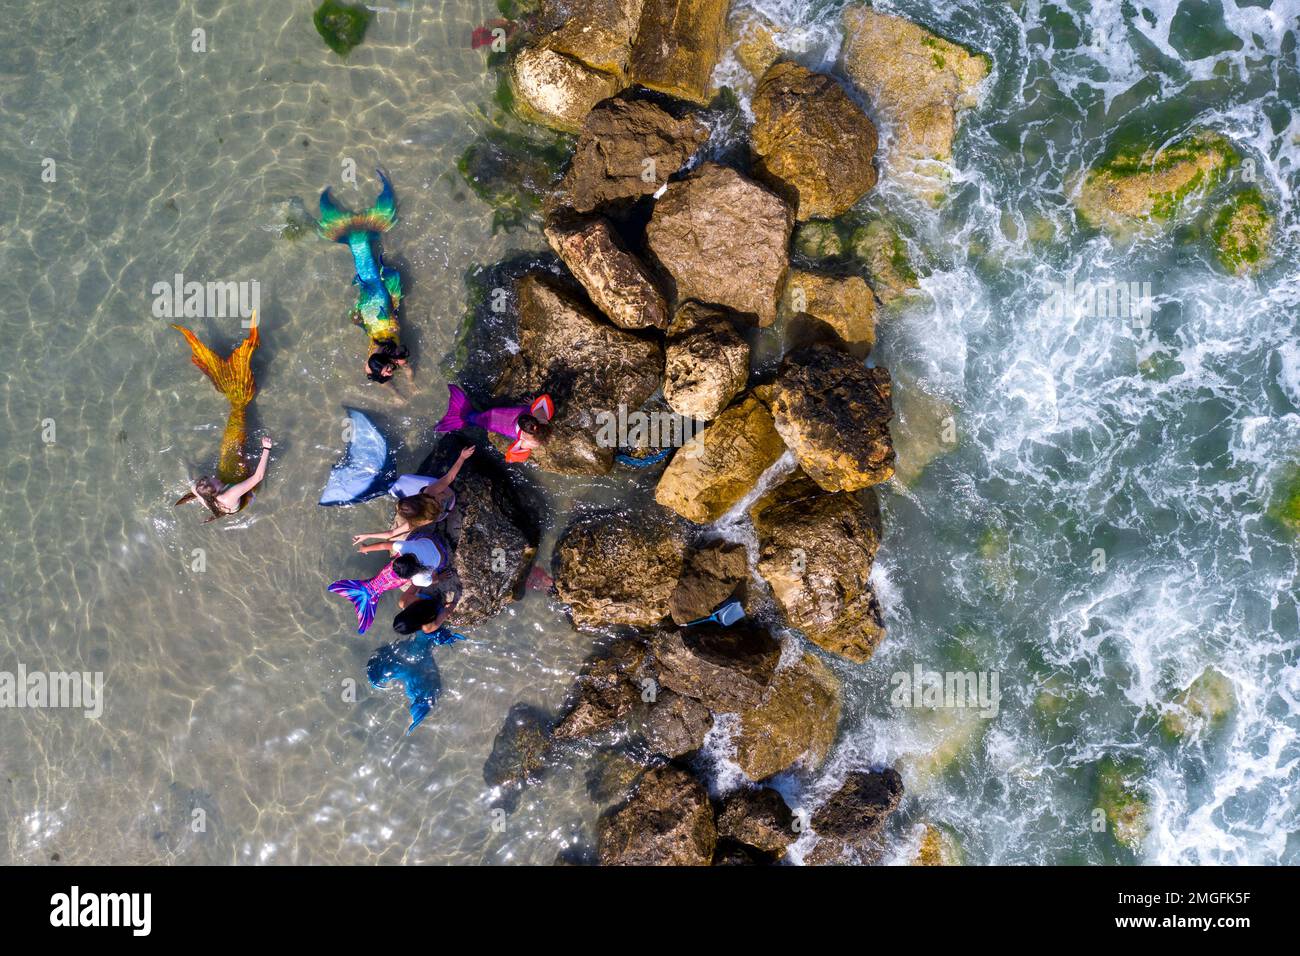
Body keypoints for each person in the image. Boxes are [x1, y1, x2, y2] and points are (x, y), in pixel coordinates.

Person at [171, 312, 274, 521]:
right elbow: (258, 477)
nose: (215, 478)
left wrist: (186, 462)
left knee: (233, 432)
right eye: (215, 482)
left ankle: (236, 392)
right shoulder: (229, 495)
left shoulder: (202, 492)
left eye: (209, 479)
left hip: (224, 483)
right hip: (245, 490)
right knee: (244, 460)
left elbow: (198, 485)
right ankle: (239, 385)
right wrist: (266, 449)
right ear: (217, 492)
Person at [435, 384, 554, 463]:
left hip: (509, 413)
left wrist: (532, 404)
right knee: (483, 421)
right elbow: (514, 454)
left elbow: (540, 403)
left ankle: (467, 415)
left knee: (489, 415)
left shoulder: (540, 415)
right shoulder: (532, 441)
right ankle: (464, 418)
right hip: (505, 427)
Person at [327, 553, 432, 634]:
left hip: (372, 590)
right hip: (371, 592)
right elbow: (411, 580)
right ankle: (363, 621)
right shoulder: (400, 572)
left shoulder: (394, 564)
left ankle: (363, 622)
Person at [393, 571, 462, 635]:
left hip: (437, 607)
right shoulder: (404, 601)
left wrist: (454, 602)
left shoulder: (428, 628)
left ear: (413, 629)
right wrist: (438, 577)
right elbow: (416, 584)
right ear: (401, 614)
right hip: (425, 597)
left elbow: (447, 611)